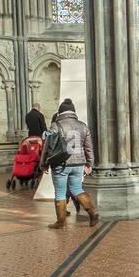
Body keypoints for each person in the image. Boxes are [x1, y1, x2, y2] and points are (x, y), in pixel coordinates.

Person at [40, 98, 99, 229]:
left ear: (60, 113)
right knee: (77, 189)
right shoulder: (83, 126)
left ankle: (61, 221)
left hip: (61, 164)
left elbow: (47, 147)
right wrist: (89, 164)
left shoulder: (56, 126)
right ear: (73, 112)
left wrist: (43, 165)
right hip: (78, 164)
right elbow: (89, 147)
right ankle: (92, 212)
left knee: (60, 192)